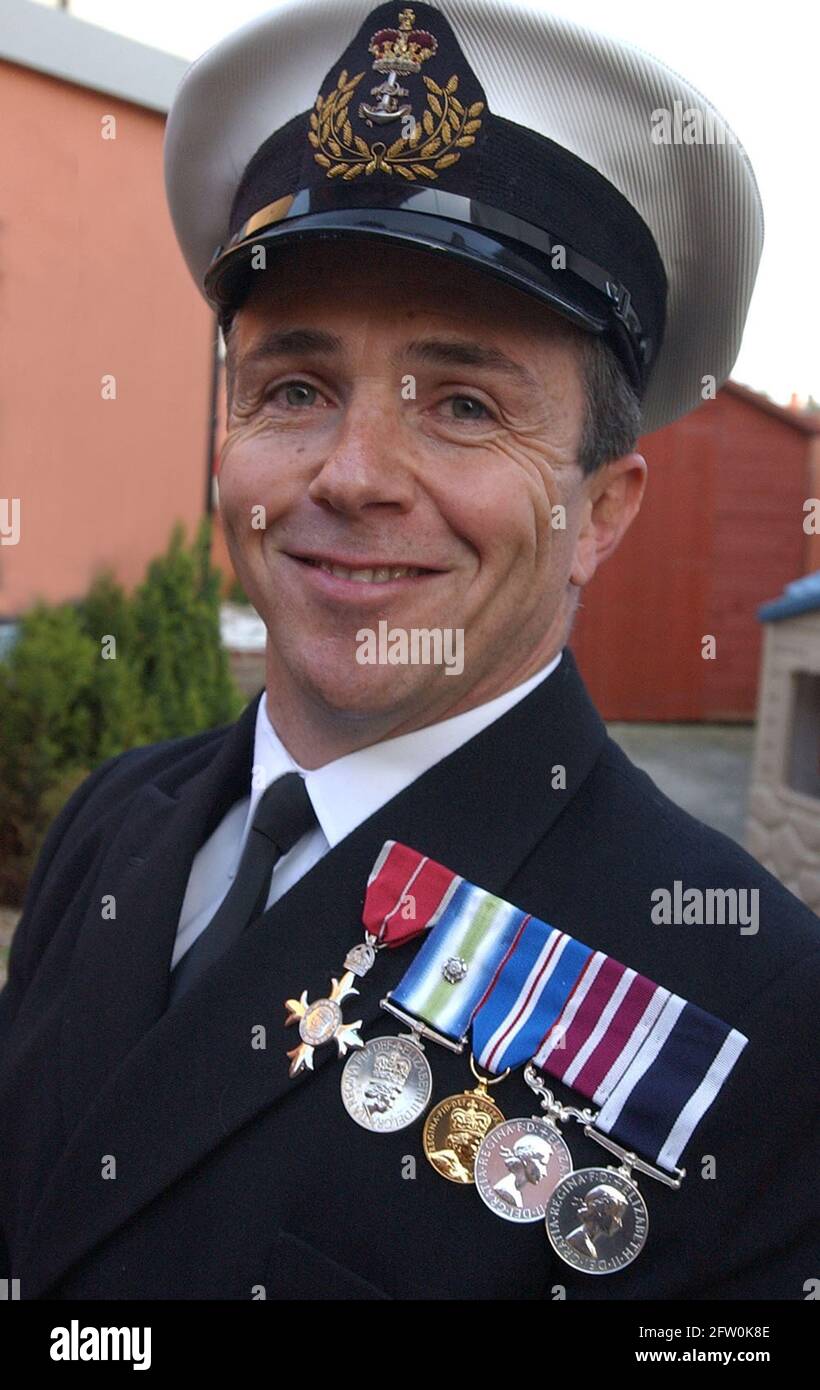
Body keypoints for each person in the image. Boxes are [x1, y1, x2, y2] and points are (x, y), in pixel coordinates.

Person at [0, 0, 817, 1301]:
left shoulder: (759, 1006)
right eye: (296, 388)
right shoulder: (112, 823)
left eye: (464, 403)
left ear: (601, 510)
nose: (352, 474)